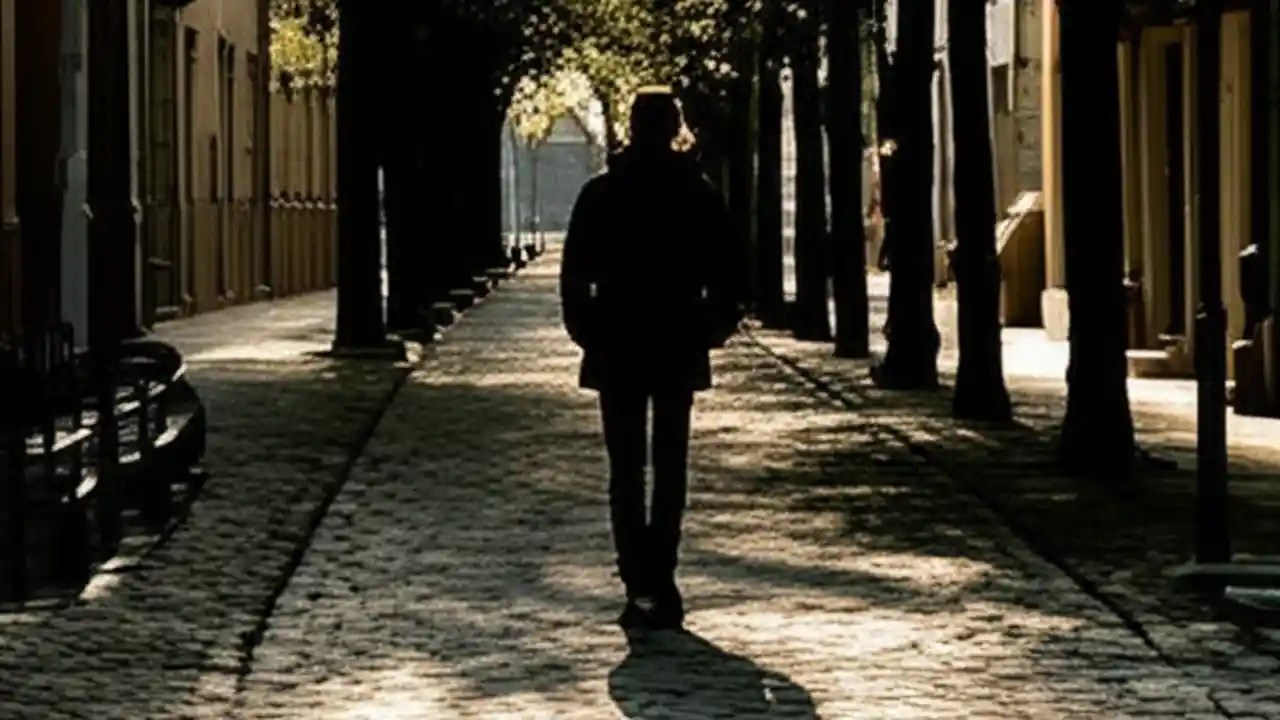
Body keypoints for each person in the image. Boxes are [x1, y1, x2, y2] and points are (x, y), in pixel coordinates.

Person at [559, 86, 746, 632]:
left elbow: (576, 276)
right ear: (674, 129)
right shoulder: (699, 193)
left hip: (617, 344)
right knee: (669, 468)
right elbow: (730, 270)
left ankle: (636, 579)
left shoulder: (601, 194)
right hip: (674, 343)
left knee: (625, 471)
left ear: (632, 129)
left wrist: (587, 332)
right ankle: (660, 576)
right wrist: (712, 327)